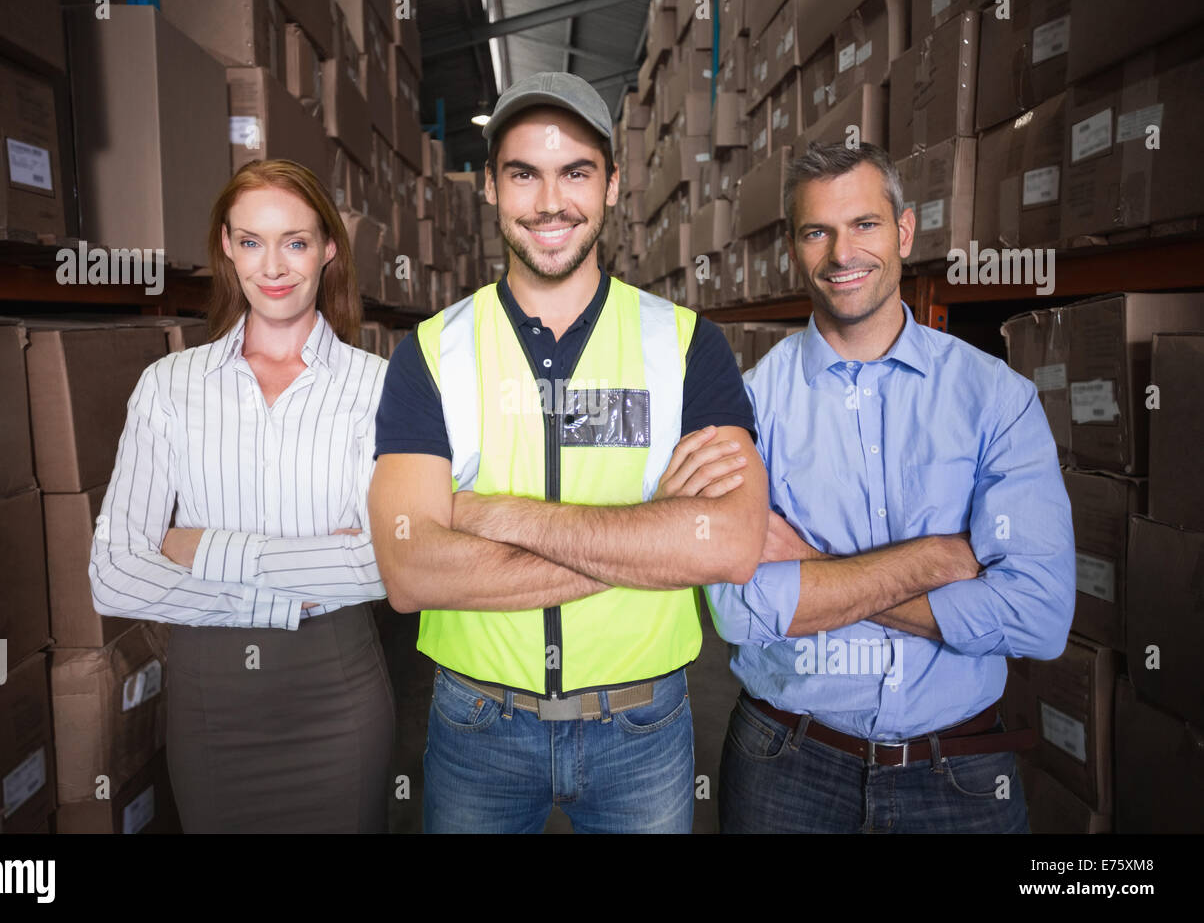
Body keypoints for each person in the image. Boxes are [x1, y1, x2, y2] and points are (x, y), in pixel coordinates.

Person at [368, 72, 767, 833]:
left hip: (642, 726)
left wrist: (493, 515)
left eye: (576, 172)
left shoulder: (686, 346)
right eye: (524, 174)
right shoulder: (431, 352)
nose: (551, 202)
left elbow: (734, 544)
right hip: (477, 723)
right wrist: (652, 533)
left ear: (613, 185)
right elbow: (410, 570)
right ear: (489, 187)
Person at [705, 141, 1076, 833]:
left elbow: (1038, 615)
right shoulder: (747, 407)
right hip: (786, 764)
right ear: (795, 247)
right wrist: (935, 560)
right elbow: (738, 608)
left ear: (904, 231)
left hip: (959, 771)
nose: (842, 254)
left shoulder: (996, 397)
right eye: (818, 231)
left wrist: (811, 573)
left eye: (865, 225)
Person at [89, 159, 394, 833]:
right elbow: (112, 576)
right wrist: (304, 573)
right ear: (226, 247)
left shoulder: (379, 388)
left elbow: (387, 564)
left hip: (336, 691)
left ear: (328, 249)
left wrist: (202, 548)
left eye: (295, 241)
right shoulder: (169, 385)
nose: (274, 265)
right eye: (251, 241)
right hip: (211, 702)